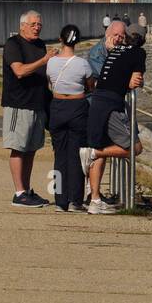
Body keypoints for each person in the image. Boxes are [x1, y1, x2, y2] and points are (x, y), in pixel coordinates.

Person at [81, 22, 145, 215]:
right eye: (115, 35)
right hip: (104, 105)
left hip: (107, 104)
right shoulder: (98, 53)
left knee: (101, 146)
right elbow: (109, 79)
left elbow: (128, 78)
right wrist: (128, 80)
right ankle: (93, 158)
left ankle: (95, 199)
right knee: (133, 147)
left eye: (121, 36)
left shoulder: (119, 51)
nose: (118, 39)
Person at [2, 10, 53, 208]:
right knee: (18, 147)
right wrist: (44, 60)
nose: (37, 27)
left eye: (39, 24)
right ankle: (19, 192)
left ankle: (27, 189)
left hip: (37, 103)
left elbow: (44, 72)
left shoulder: (40, 45)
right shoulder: (13, 44)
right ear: (22, 25)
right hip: (18, 104)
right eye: (33, 24)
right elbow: (20, 71)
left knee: (31, 148)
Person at [46, 24, 92, 212]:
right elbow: (90, 85)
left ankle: (60, 201)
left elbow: (49, 83)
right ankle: (75, 200)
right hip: (77, 107)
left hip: (57, 107)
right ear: (77, 41)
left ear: (60, 39)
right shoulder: (82, 64)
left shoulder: (51, 62)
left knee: (59, 155)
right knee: (76, 155)